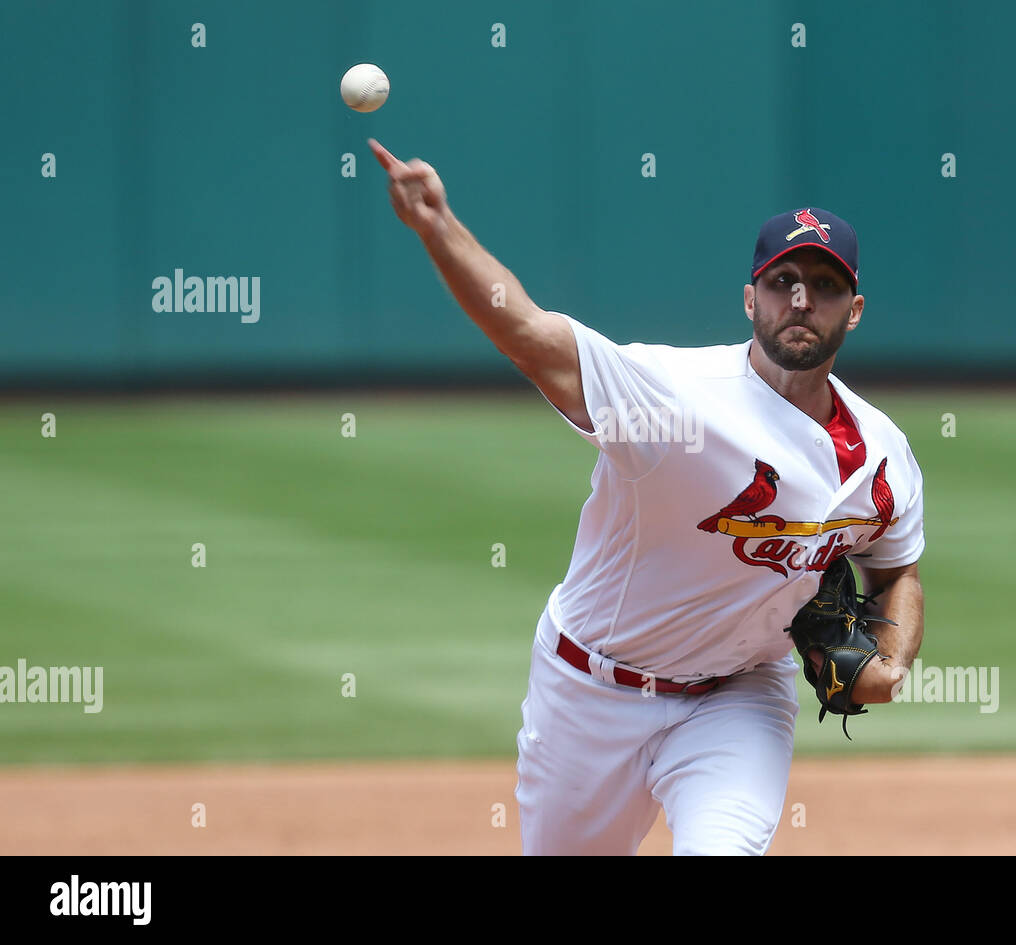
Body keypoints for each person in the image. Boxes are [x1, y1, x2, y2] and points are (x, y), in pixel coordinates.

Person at [369, 139, 925, 856]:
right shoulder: (674, 398)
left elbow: (895, 569)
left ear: (853, 309)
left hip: (738, 697)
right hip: (588, 691)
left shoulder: (885, 455)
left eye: (824, 285)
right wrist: (439, 228)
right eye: (783, 279)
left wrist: (891, 660)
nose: (801, 298)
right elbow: (529, 335)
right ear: (749, 298)